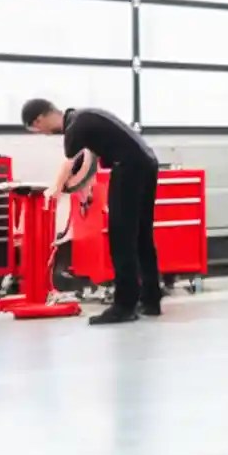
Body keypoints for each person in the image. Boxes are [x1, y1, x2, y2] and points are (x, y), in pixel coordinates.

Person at [22, 99, 163, 325]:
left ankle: (124, 306)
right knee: (141, 235)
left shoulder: (74, 127)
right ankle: (150, 300)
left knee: (121, 236)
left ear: (39, 120)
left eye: (38, 129)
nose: (43, 133)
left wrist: (54, 190)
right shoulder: (84, 117)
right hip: (146, 163)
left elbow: (69, 164)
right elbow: (91, 158)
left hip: (128, 167)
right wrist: (84, 189)